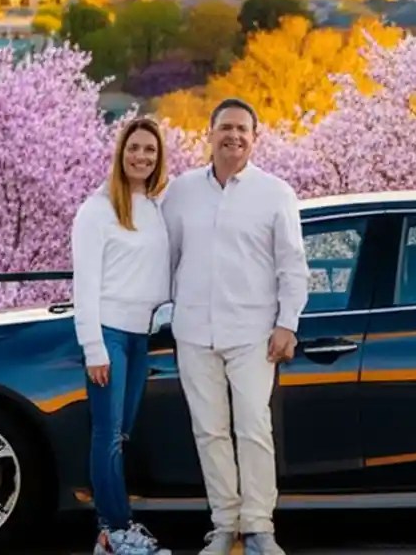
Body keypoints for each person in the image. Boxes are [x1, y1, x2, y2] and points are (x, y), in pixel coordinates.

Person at [162, 98, 309, 555]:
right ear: (209, 134)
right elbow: (165, 258)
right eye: (225, 127)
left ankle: (260, 527)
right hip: (192, 331)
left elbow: (293, 266)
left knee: (253, 427)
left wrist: (287, 323)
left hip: (253, 333)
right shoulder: (182, 191)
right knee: (209, 430)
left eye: (243, 129)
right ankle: (224, 524)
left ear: (255, 137)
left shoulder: (275, 193)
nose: (234, 136)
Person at [72, 117, 174, 555]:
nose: (142, 157)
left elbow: (160, 272)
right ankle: (115, 529)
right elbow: (85, 285)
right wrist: (94, 347)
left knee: (123, 434)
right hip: (109, 336)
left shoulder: (154, 206)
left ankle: (109, 535)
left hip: (140, 336)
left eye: (150, 150)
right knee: (108, 435)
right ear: (121, 152)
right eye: (135, 148)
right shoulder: (97, 210)